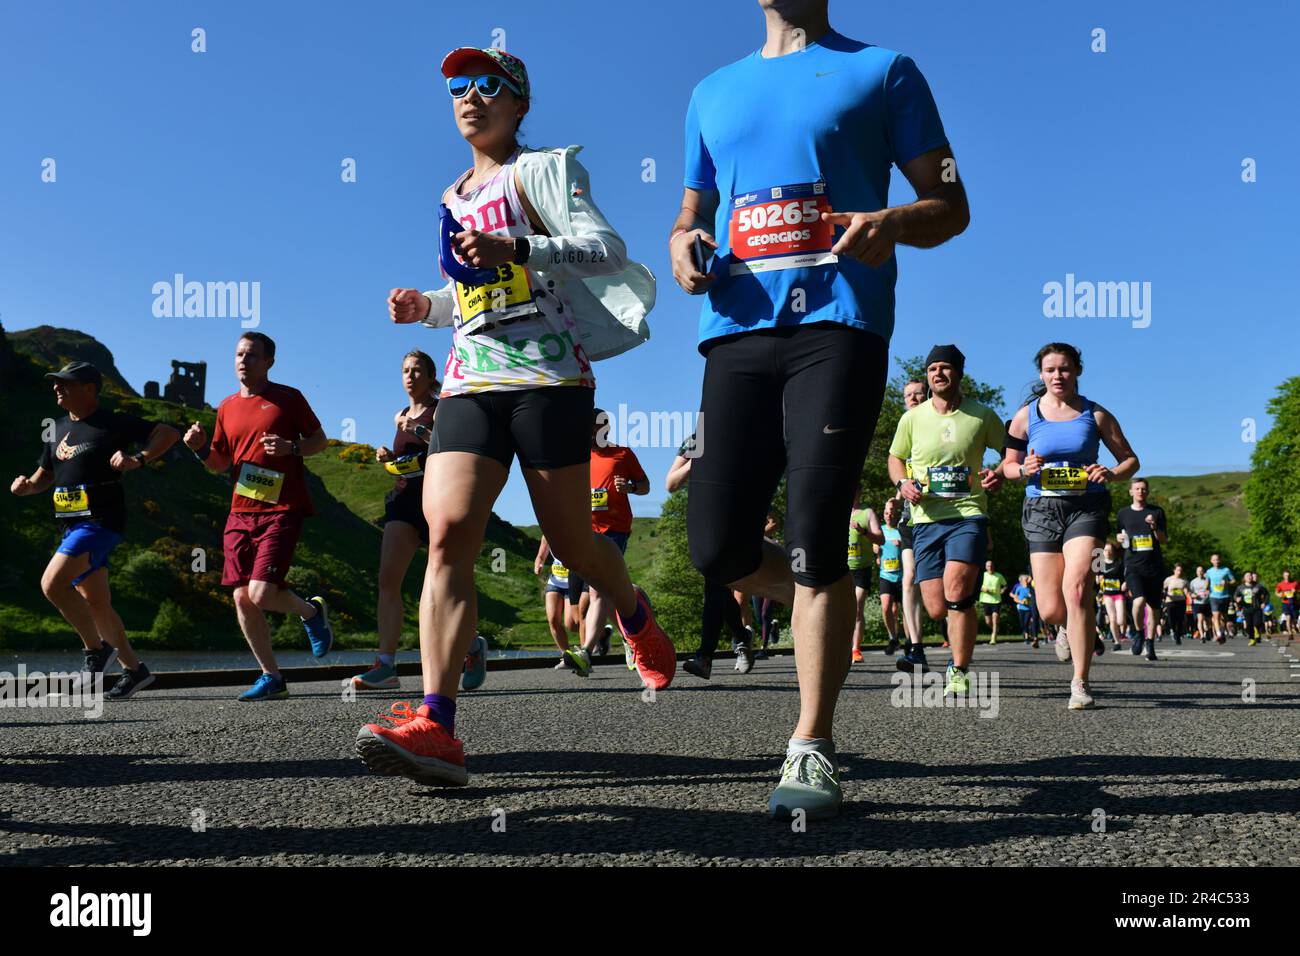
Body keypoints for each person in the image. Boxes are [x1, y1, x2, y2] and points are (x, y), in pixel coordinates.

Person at [670, 0, 969, 821]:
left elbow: (952, 203)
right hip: (733, 326)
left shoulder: (884, 70)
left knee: (814, 533)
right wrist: (680, 244)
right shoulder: (712, 90)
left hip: (837, 326)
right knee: (715, 544)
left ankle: (812, 742)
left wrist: (893, 220)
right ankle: (820, 590)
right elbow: (692, 212)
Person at [356, 45, 672, 787]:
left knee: (570, 539)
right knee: (447, 536)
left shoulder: (544, 170)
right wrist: (424, 308)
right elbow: (469, 292)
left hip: (550, 377)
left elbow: (605, 249)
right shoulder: (451, 192)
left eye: (488, 87)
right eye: (458, 89)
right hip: (470, 380)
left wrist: (519, 244)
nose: (470, 98)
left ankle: (629, 607)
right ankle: (438, 723)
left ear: (519, 103)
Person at [10, 361, 179, 700]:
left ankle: (96, 650)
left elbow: (168, 433)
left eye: (66, 384)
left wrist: (139, 458)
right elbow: (45, 476)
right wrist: (26, 486)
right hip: (71, 524)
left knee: (52, 584)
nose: (58, 388)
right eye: (56, 384)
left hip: (101, 522)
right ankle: (134, 670)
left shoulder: (112, 422)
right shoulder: (56, 429)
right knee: (98, 603)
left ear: (89, 388)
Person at [183, 332, 335, 699]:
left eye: (251, 356)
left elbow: (320, 441)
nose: (242, 361)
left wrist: (292, 447)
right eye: (238, 354)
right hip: (240, 512)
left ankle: (311, 614)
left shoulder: (288, 398)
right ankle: (273, 678)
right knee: (241, 597)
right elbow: (219, 465)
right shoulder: (226, 407)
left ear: (269, 362)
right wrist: (200, 450)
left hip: (282, 507)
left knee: (262, 592)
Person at [1002, 342, 1138, 706]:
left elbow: (1130, 461)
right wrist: (1022, 470)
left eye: (1064, 369)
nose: (1057, 376)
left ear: (1077, 371)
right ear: (1041, 374)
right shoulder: (1025, 416)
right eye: (1050, 370)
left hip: (1087, 507)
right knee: (1048, 607)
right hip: (1041, 510)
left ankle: (1080, 683)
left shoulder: (1095, 416)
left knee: (1078, 587)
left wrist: (1110, 472)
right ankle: (1067, 628)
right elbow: (1008, 466)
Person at [354, 351, 490, 691]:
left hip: (438, 500)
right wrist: (389, 456)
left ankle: (472, 647)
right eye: (405, 370)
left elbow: (448, 444)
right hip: (403, 500)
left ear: (431, 377)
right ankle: (386, 665)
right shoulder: (399, 414)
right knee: (388, 579)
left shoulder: (443, 408)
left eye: (417, 371)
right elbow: (409, 456)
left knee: (444, 583)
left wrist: (416, 429)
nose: (410, 376)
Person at [889, 345, 1004, 699]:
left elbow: (1011, 452)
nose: (938, 374)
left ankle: (959, 668)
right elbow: (895, 458)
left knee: (957, 592)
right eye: (933, 368)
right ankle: (959, 624)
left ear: (959, 373)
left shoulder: (981, 416)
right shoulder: (912, 418)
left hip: (968, 514)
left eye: (945, 368)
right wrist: (902, 483)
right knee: (937, 605)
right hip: (925, 519)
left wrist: (997, 473)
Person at [563, 408, 653, 676]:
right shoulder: (578, 457)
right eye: (591, 427)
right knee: (606, 590)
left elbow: (645, 484)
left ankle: (586, 651)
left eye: (601, 426)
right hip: (584, 530)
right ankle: (630, 636)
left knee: (598, 591)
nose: (595, 431)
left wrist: (630, 488)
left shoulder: (622, 453)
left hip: (615, 529)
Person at [667, 433, 754, 680]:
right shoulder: (694, 441)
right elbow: (671, 484)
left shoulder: (738, 437)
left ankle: (705, 657)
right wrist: (696, 461)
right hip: (702, 522)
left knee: (714, 585)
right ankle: (741, 635)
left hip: (730, 520)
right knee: (719, 588)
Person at [1115, 478, 1167, 662]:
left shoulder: (1157, 512)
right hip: (1133, 565)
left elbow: (1163, 539)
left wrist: (1154, 527)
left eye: (1144, 489)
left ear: (1148, 492)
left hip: (1154, 566)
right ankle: (1138, 632)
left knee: (1154, 608)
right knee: (1139, 601)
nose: (1140, 492)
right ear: (1131, 492)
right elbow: (1119, 536)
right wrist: (1120, 539)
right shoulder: (1123, 514)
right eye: (1137, 489)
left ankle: (1150, 643)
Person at [895, 380, 928, 665]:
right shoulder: (905, 428)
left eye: (918, 393)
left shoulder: (935, 424)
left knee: (937, 590)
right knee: (909, 578)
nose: (913, 398)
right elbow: (903, 473)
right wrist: (893, 498)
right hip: (910, 518)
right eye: (908, 395)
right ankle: (915, 646)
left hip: (942, 516)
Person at [848, 489, 884, 663]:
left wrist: (864, 532)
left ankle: (855, 649)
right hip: (841, 568)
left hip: (862, 567)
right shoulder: (837, 510)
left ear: (859, 492)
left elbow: (880, 539)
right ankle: (840, 646)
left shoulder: (867, 513)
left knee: (856, 608)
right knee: (839, 609)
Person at [877, 498, 905, 654]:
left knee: (902, 611)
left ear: (895, 515)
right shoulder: (880, 530)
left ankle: (909, 641)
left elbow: (909, 550)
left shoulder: (901, 530)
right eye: (886, 513)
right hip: (885, 575)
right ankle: (893, 638)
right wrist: (877, 552)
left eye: (891, 513)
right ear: (884, 515)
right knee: (887, 607)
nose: (889, 515)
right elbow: (876, 547)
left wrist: (901, 545)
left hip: (902, 576)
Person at [1098, 542, 1127, 649]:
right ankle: (1117, 641)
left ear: (1113, 552)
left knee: (1120, 620)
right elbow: (1096, 579)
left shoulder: (1119, 563)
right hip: (1107, 594)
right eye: (1105, 550)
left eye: (1110, 550)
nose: (1108, 552)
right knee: (1112, 619)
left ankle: (1120, 634)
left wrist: (1125, 583)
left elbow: (1125, 576)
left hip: (1118, 594)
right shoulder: (1100, 564)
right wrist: (1098, 580)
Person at [1205, 553, 1236, 644]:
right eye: (1214, 560)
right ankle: (1219, 634)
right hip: (1214, 597)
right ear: (1211, 561)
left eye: (1218, 559)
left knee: (1224, 617)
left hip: (1224, 596)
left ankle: (1222, 632)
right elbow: (1207, 582)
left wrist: (1227, 583)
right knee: (1216, 616)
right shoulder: (1209, 571)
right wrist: (1206, 589)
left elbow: (1234, 581)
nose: (1216, 561)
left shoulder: (1226, 570)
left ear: (1220, 560)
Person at [977, 560, 1007, 645]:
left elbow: (1005, 585)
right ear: (986, 567)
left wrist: (1003, 590)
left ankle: (993, 638)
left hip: (996, 600)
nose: (990, 567)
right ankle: (996, 629)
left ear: (994, 566)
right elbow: (977, 585)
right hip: (986, 600)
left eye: (991, 566)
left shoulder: (999, 576)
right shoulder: (983, 575)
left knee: (995, 620)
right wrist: (982, 589)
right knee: (988, 622)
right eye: (988, 566)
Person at [1235, 572, 1268, 646]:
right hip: (1246, 609)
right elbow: (1236, 596)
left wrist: (1264, 603)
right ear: (1244, 578)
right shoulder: (1240, 587)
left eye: (1250, 576)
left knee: (1257, 623)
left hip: (1256, 608)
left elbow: (1266, 594)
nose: (1249, 577)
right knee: (1248, 626)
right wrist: (1237, 599)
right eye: (1247, 576)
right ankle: (1252, 639)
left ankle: (1257, 631)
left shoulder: (1258, 586)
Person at [1162, 564, 1188, 646]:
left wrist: (1190, 595)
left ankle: (1178, 636)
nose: (1179, 572)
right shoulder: (1169, 579)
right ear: (1174, 571)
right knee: (1171, 619)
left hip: (1181, 601)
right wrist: (1165, 595)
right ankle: (1173, 630)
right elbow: (1163, 588)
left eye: (1181, 570)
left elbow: (1187, 590)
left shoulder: (1184, 580)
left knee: (1180, 620)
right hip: (1170, 601)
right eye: (1178, 570)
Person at [1011, 574, 1038, 647]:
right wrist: (1021, 602)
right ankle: (1026, 634)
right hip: (1021, 608)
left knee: (1026, 622)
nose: (1026, 581)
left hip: (1029, 608)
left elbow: (1033, 596)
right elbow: (1015, 598)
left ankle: (1026, 638)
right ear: (1022, 581)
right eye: (1025, 580)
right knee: (1022, 623)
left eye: (1027, 580)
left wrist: (1030, 596)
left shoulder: (1030, 588)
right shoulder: (1019, 588)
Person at [1189, 565, 1211, 640]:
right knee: (1200, 619)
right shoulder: (1193, 582)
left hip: (1206, 602)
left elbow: (1211, 590)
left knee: (1208, 621)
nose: (1200, 572)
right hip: (1197, 603)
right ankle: (1202, 636)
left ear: (1203, 572)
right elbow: (1190, 593)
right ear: (1196, 572)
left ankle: (1206, 632)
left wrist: (1208, 592)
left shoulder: (1207, 581)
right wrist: (1194, 596)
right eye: (1198, 571)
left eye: (1201, 571)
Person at [1274, 571, 1296, 635]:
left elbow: (1299, 590)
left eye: (1288, 575)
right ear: (1283, 576)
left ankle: (1292, 628)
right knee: (1288, 617)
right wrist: (1279, 595)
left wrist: (1295, 591)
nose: (1287, 577)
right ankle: (1290, 632)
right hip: (1285, 603)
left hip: (1294, 603)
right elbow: (1276, 592)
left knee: (1293, 618)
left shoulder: (1294, 583)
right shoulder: (1280, 584)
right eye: (1286, 575)